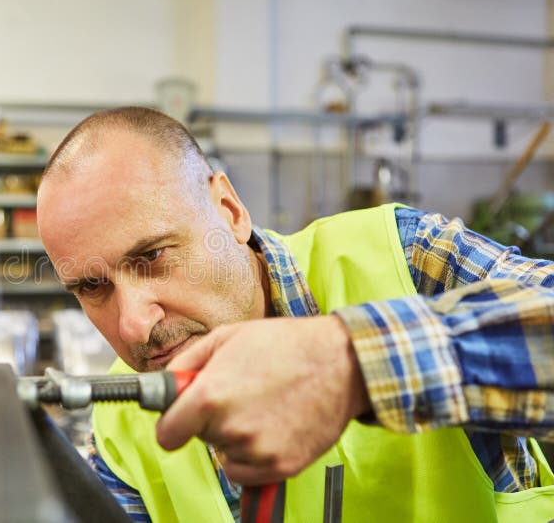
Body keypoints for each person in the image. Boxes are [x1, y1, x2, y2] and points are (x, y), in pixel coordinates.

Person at [36, 106, 554, 522]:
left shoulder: (406, 259)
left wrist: (353, 364)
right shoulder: (120, 426)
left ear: (229, 212)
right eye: (92, 287)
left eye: (152, 257)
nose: (133, 325)